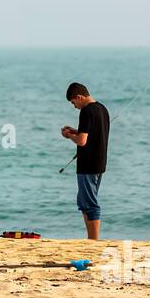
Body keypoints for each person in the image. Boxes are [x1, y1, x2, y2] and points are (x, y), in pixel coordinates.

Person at [61, 82, 109, 239]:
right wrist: (75, 131)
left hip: (88, 164)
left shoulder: (86, 111)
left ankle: (94, 241)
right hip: (99, 163)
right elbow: (92, 134)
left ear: (79, 97)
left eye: (74, 103)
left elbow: (82, 141)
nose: (75, 107)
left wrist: (69, 136)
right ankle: (90, 238)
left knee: (90, 204)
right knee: (84, 202)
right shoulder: (102, 109)